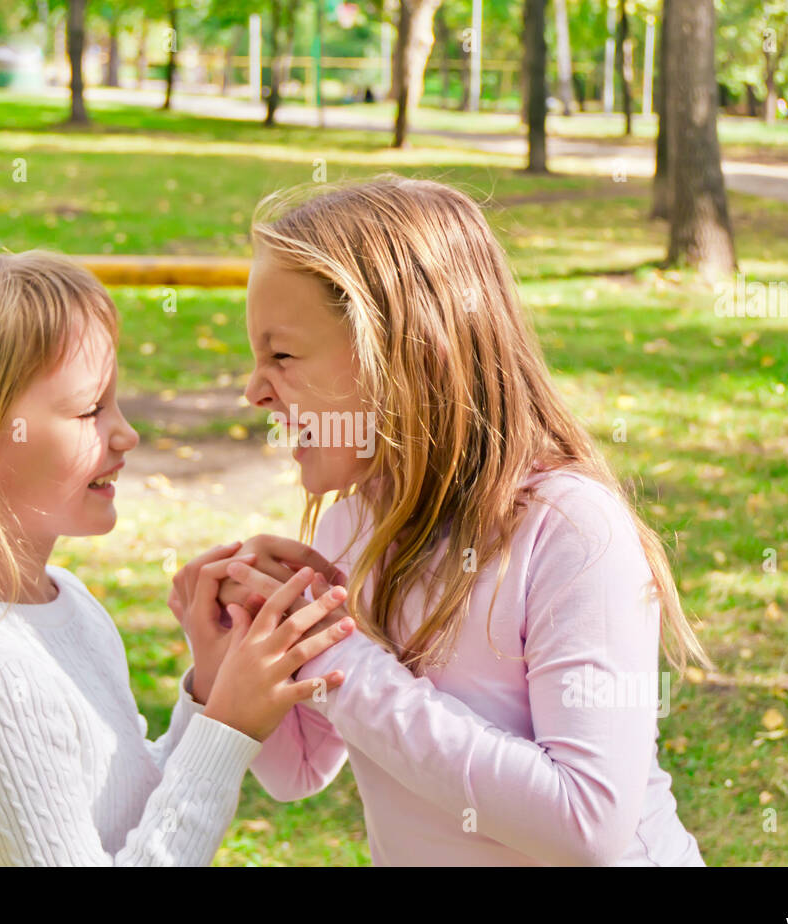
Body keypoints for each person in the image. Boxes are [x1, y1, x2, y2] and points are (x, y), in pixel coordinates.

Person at [215, 175, 711, 865]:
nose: (254, 389)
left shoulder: (568, 532)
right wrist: (238, 641)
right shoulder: (354, 526)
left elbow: (586, 826)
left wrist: (344, 659)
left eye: (283, 356)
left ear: (406, 355)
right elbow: (297, 769)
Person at [0, 251, 353, 866]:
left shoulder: (64, 600)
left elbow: (123, 813)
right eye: (90, 410)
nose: (126, 434)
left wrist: (208, 690)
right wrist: (227, 730)